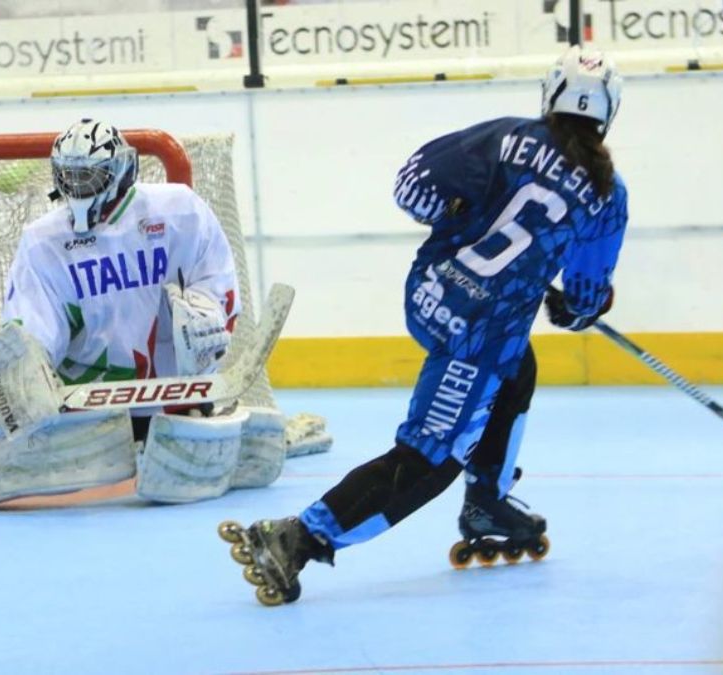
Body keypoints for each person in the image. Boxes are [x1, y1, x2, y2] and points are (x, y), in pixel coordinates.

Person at [219, 45, 629, 606]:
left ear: (551, 93)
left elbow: (412, 186)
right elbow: (585, 296)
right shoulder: (609, 194)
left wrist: (461, 221)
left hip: (429, 294)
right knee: (431, 457)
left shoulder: (506, 135)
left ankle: (487, 497)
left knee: (518, 368)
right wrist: (574, 306)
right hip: (477, 336)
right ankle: (299, 537)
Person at [0, 118, 326, 509]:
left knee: (193, 329)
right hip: (89, 399)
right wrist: (28, 365)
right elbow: (34, 316)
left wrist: (208, 319)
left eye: (88, 176)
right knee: (22, 372)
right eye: (68, 177)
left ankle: (188, 417)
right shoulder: (43, 240)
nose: (77, 188)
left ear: (118, 173)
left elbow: (215, 277)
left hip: (173, 389)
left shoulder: (177, 210)